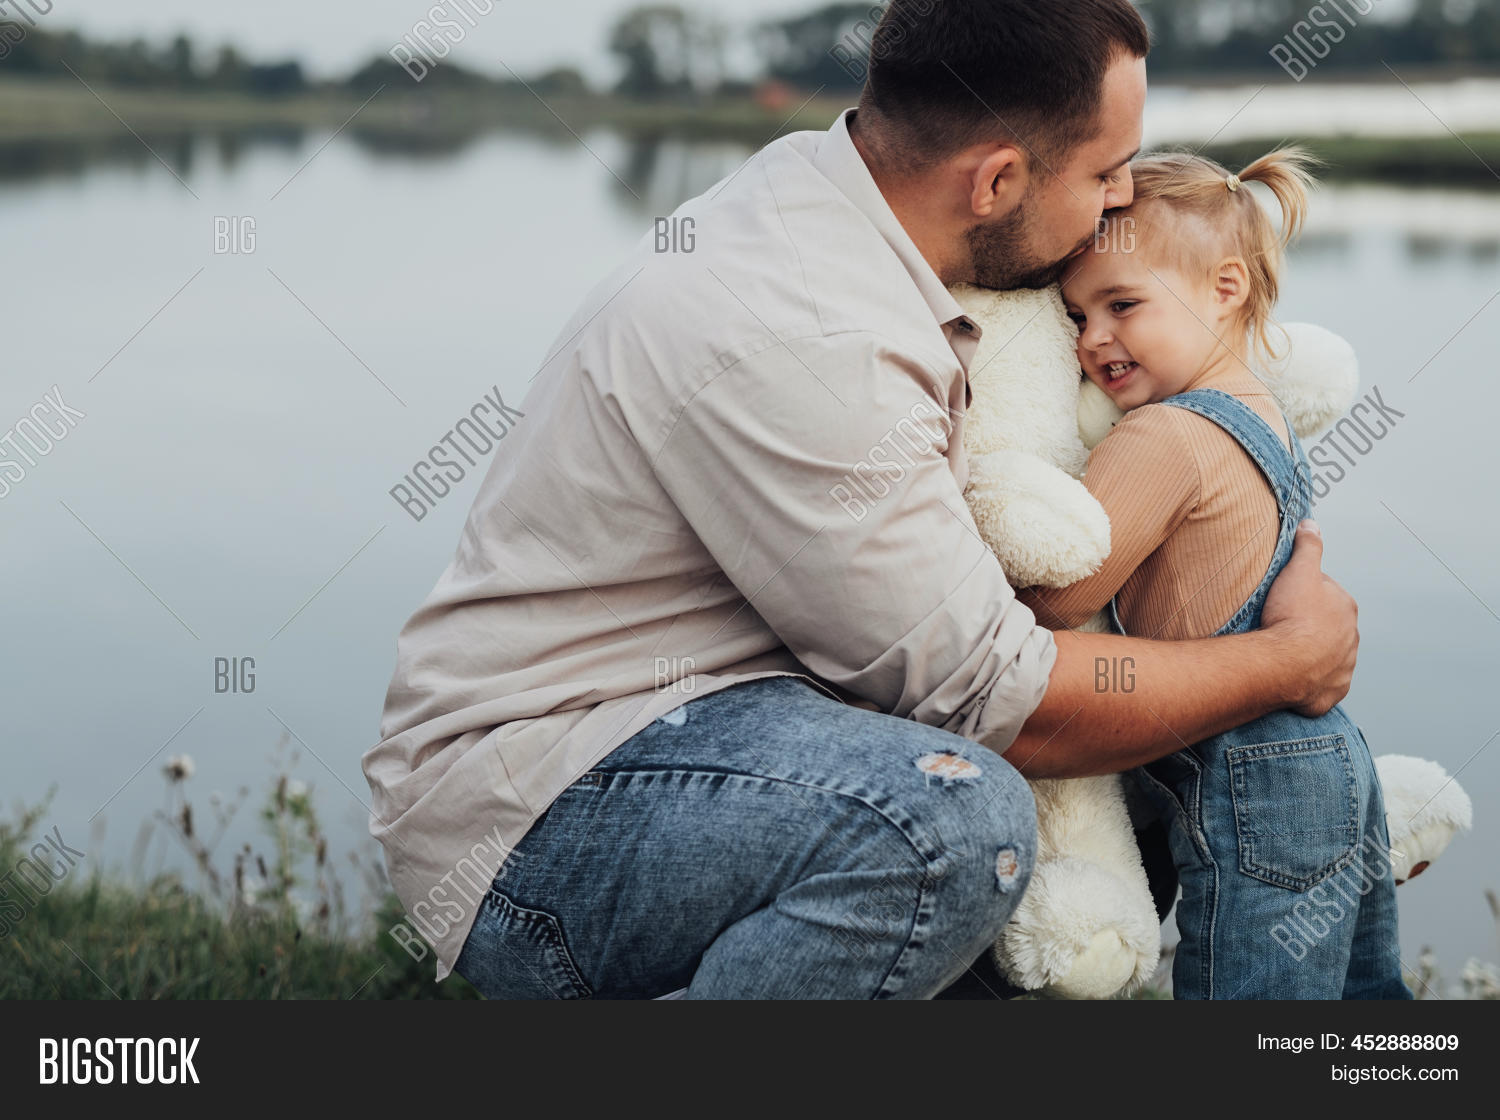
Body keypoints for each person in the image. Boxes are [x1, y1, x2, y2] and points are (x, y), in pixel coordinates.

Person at [363, 0, 1362, 1000]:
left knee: (1157, 779)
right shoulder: (806, 330)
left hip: (743, 721)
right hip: (554, 798)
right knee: (950, 822)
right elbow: (1004, 705)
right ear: (995, 181)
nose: (1121, 199)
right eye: (1107, 171)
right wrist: (1285, 660)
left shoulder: (852, 205)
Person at [1020, 148, 1409, 999]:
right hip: (1330, 754)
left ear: (1226, 288)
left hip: (1250, 770)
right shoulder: (1263, 411)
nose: (1092, 339)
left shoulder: (1162, 436)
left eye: (1122, 304)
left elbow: (1057, 594)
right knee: (1364, 1005)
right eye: (1076, 316)